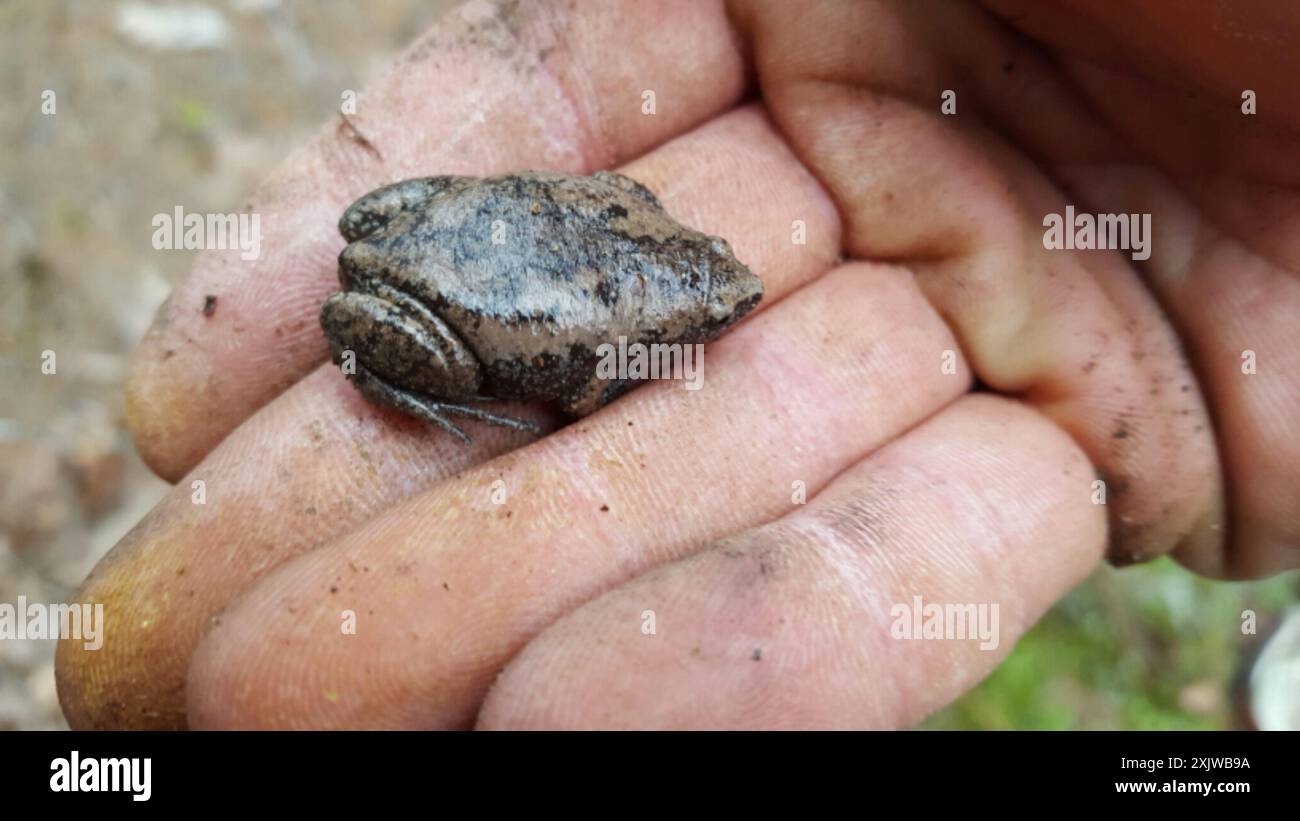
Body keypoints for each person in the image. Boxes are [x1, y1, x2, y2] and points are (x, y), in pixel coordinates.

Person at [56, 0, 1300, 729]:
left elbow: (615, 243)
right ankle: (419, 377)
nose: (733, 303)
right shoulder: (630, 343)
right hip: (435, 302)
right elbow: (582, 369)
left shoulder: (663, 278)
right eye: (717, 303)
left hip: (436, 232)